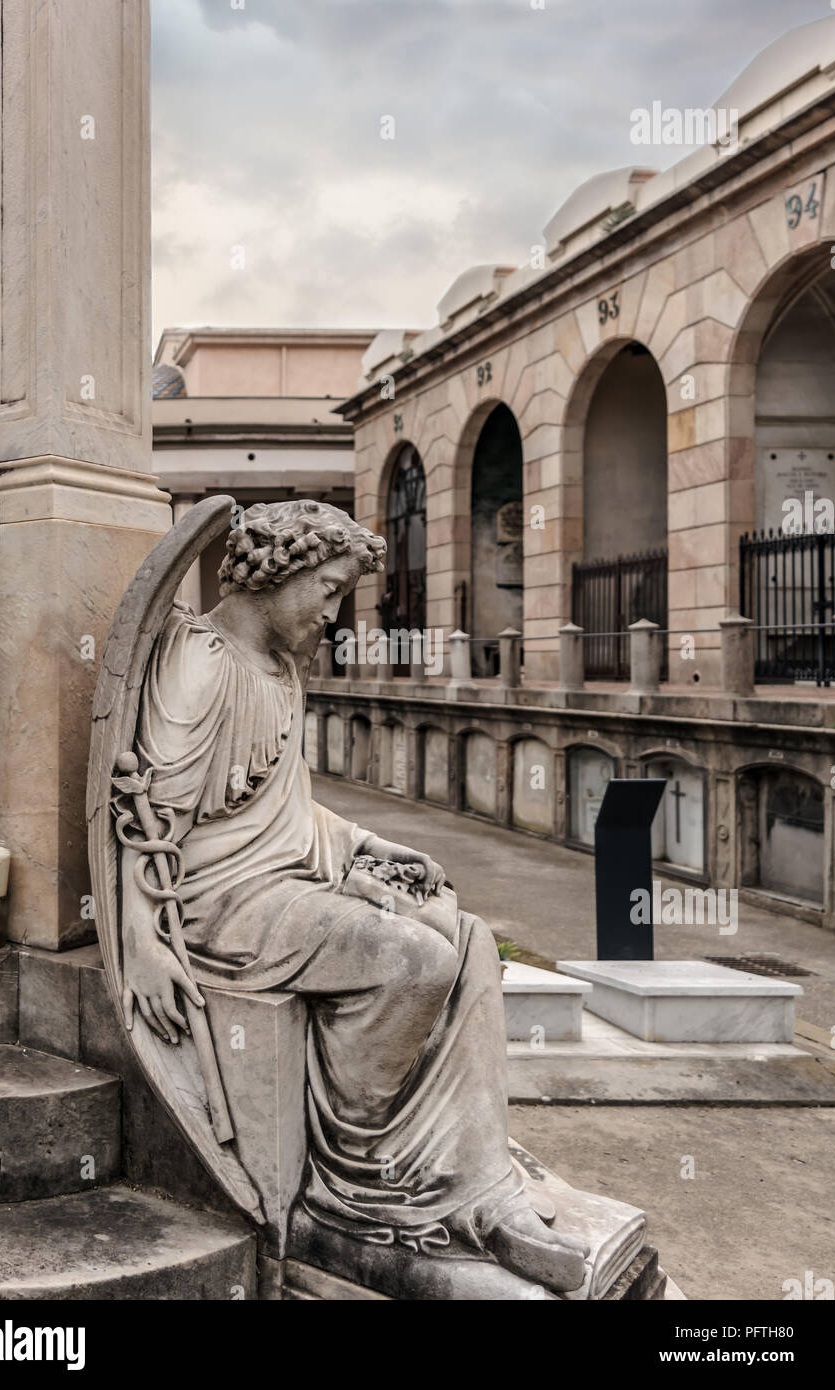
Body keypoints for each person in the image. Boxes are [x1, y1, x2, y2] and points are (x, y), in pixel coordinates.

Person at [121, 499, 587, 1291]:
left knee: (466, 938)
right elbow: (145, 820)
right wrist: (139, 938)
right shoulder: (203, 661)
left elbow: (281, 802)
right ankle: (359, 1184)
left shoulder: (280, 666)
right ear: (282, 574)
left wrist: (362, 843)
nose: (334, 616)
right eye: (331, 591)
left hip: (287, 881)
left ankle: (476, 1188)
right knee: (408, 960)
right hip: (220, 902)